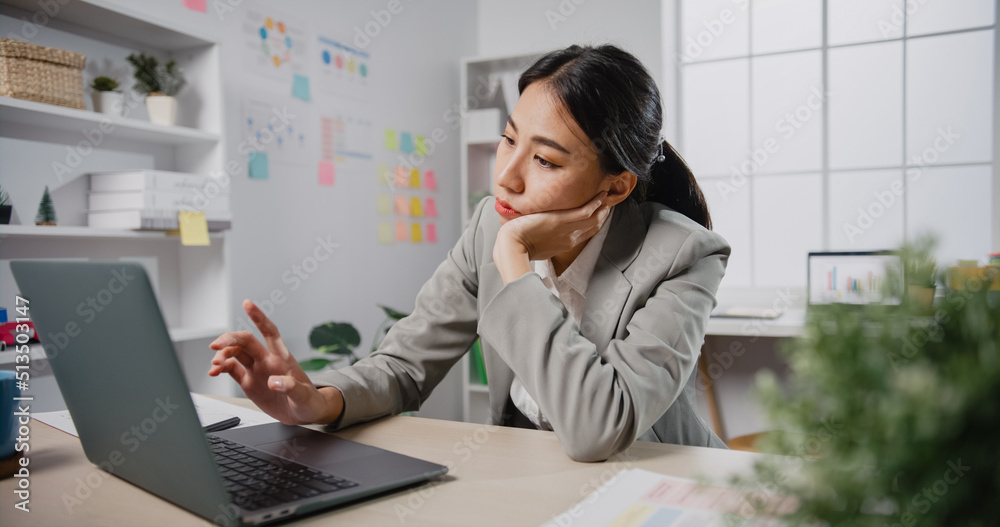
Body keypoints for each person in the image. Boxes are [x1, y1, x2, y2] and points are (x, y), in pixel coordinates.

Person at [209, 44, 730, 462]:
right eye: (507, 139)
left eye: (545, 160)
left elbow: (597, 430)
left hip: (661, 483)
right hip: (531, 474)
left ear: (615, 188)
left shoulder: (684, 255)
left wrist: (515, 259)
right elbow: (404, 365)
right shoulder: (492, 222)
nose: (506, 175)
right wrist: (317, 399)